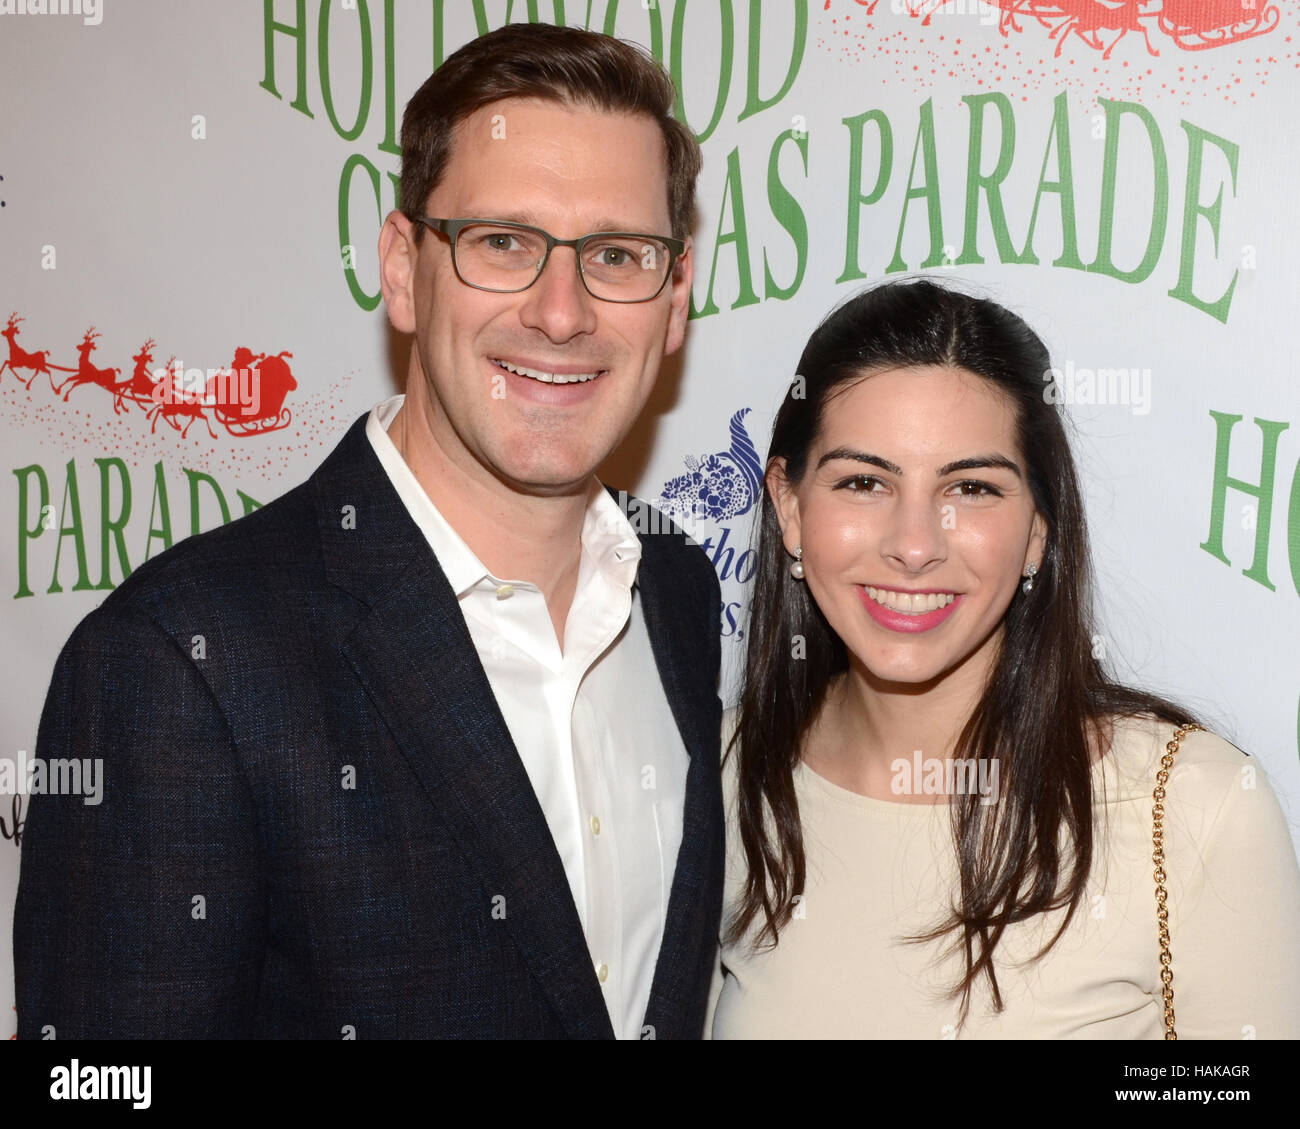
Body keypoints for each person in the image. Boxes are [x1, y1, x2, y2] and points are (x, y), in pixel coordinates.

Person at [14, 22, 724, 1040]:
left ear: (673, 297)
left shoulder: (680, 598)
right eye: (503, 243)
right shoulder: (181, 665)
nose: (561, 312)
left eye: (617, 253)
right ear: (402, 267)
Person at [708, 278, 1300, 1038]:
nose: (915, 544)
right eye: (863, 481)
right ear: (789, 508)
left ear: (1037, 533)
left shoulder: (1193, 810)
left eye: (973, 486)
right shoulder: (720, 778)